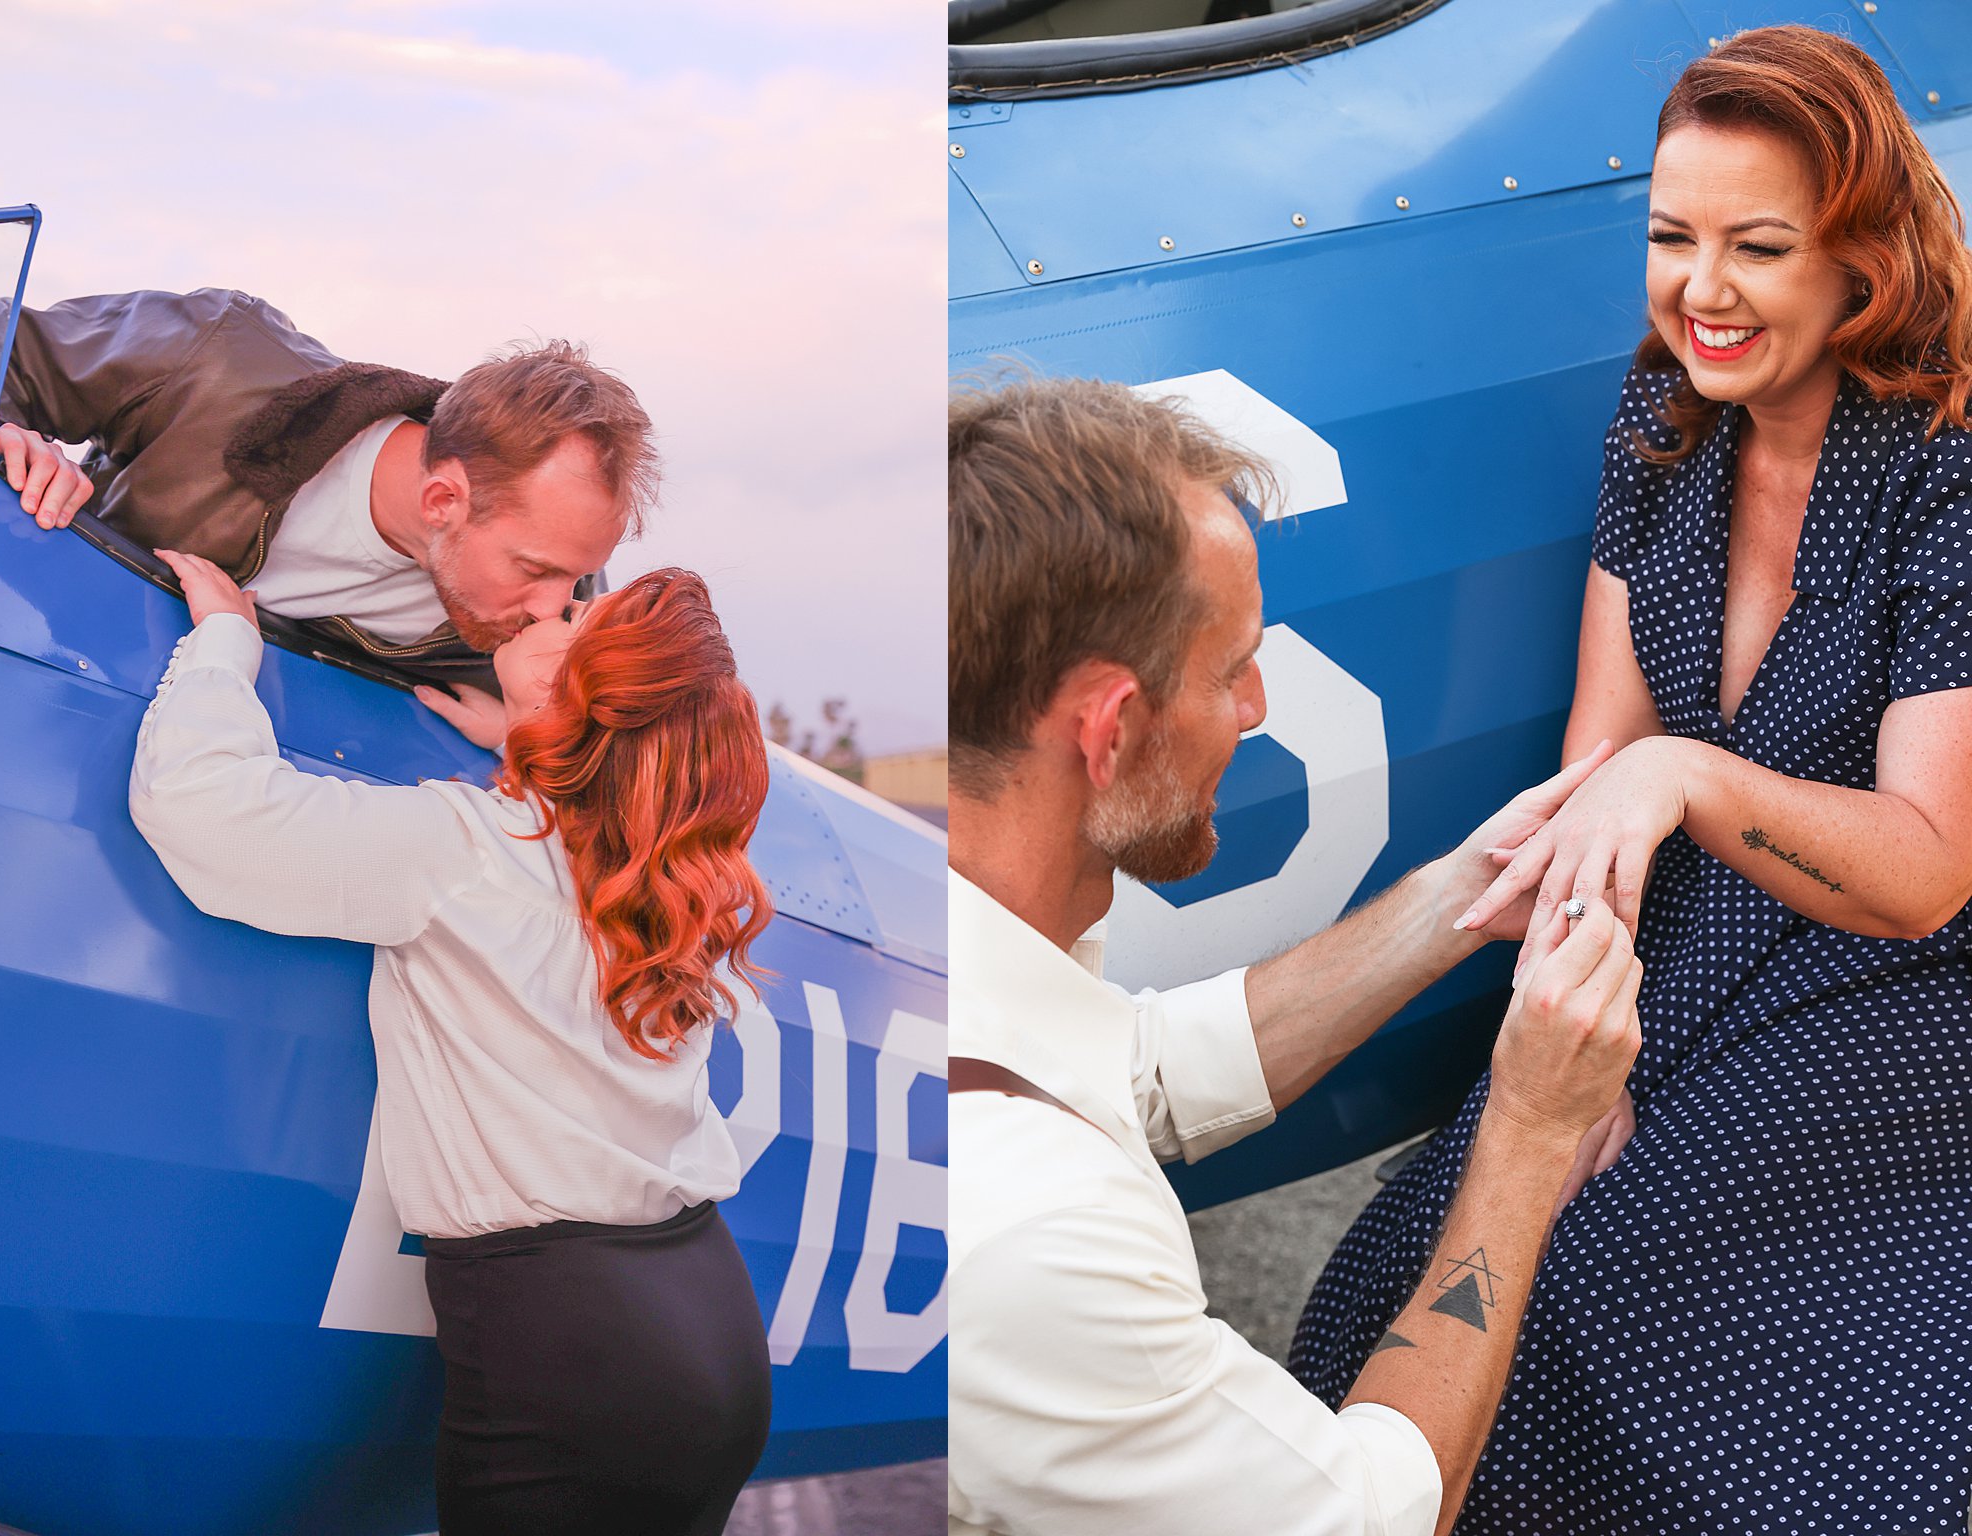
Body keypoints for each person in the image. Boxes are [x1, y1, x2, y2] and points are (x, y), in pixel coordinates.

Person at [1292, 25, 1972, 1534]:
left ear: (1863, 258)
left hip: (1892, 976)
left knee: (1617, 1307)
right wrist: (1570, 1040)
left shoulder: (1948, 467)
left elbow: (1928, 866)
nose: (1701, 290)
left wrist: (1689, 774)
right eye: (1672, 237)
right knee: (1414, 1273)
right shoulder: (1663, 416)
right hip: (1672, 934)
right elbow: (1594, 762)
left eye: (1759, 245)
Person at [947, 375, 1643, 1536]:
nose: (1258, 707)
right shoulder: (1034, 1238)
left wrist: (1449, 903)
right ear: (1109, 729)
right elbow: (1368, 1518)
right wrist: (1530, 1132)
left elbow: (1124, 1072)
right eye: (1230, 671)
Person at [130, 551, 774, 1536]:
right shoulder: (646, 860)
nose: (556, 604)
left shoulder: (466, 849)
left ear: (584, 697)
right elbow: (572, 824)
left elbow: (198, 808)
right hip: (710, 1327)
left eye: (577, 621)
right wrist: (530, 739)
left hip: (567, 1352)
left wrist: (224, 640)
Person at [0, 289, 657, 743]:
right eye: (535, 571)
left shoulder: (545, 636)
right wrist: (3, 430)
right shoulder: (221, 359)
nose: (557, 610)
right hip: (33, 698)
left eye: (576, 576)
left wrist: (534, 743)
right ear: (443, 501)